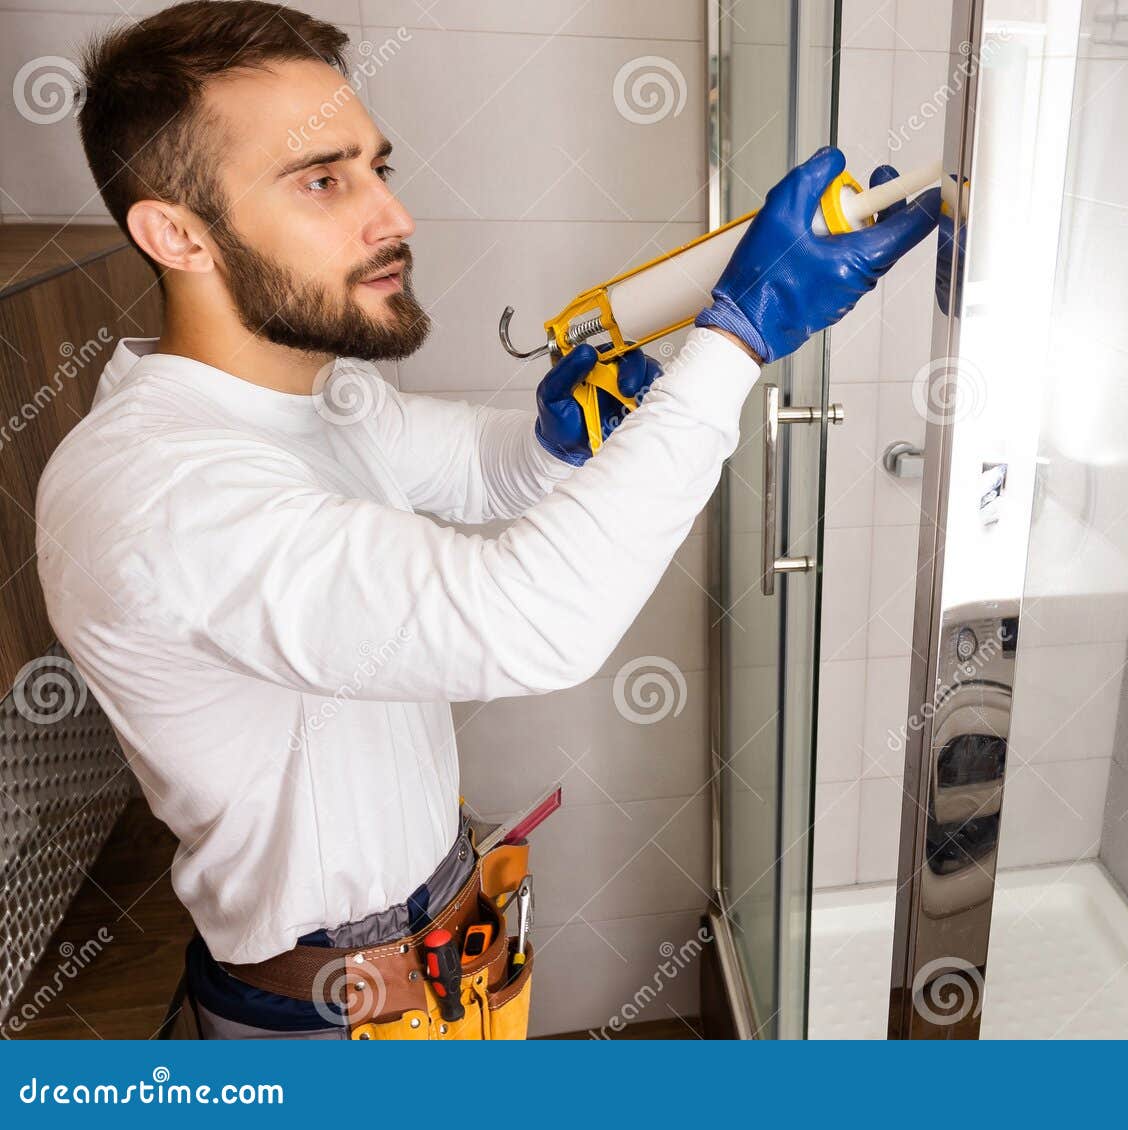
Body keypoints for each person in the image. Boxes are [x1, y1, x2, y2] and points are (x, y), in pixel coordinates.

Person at [34, 0, 938, 1039]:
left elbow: (476, 466)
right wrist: (732, 343)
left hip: (451, 958)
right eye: (324, 179)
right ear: (176, 231)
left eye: (379, 167)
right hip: (331, 1027)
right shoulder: (159, 492)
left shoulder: (316, 398)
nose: (394, 215)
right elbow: (527, 621)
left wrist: (560, 438)